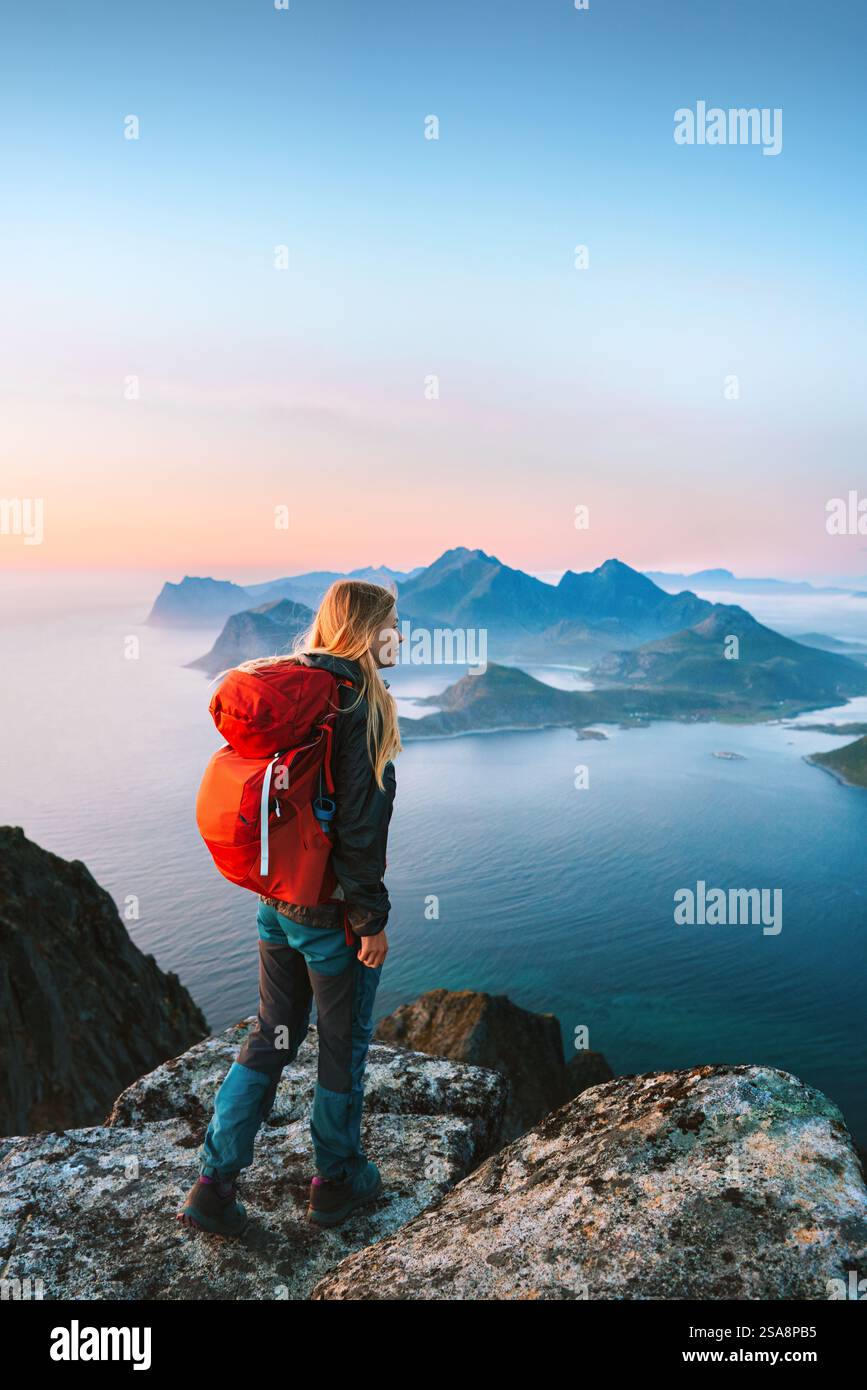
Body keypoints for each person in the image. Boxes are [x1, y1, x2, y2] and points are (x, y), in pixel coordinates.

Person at [178, 580, 402, 1235]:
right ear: (366, 631)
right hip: (328, 915)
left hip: (275, 906)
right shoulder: (358, 706)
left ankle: (213, 1186)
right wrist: (371, 922)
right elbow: (360, 833)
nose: (403, 635)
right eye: (394, 624)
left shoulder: (299, 689)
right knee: (342, 1046)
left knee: (271, 1037)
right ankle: (336, 1182)